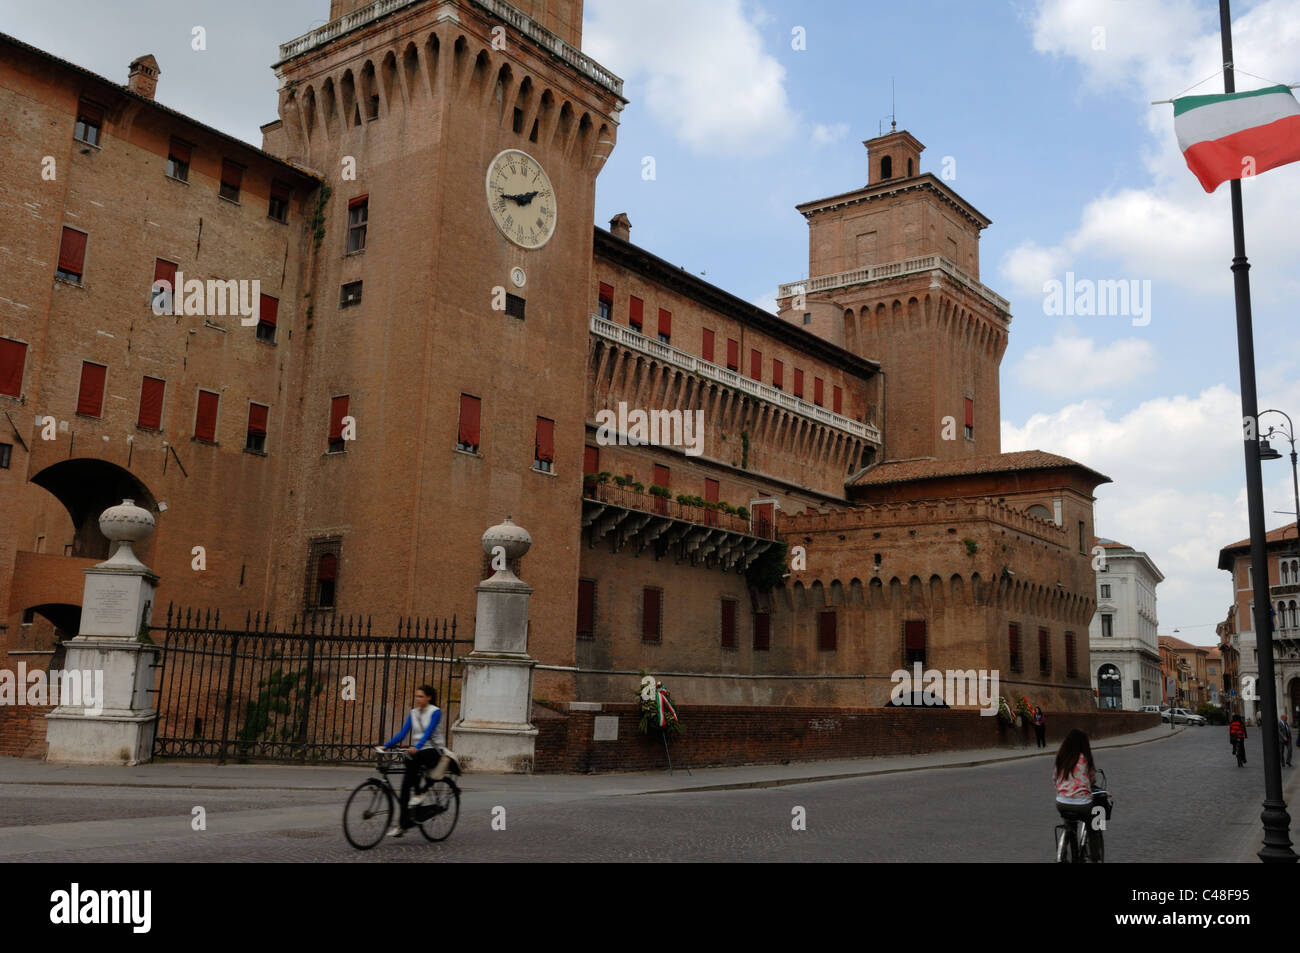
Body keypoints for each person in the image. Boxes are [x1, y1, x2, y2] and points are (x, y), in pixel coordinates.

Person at [380, 685, 450, 837]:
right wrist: (386, 746)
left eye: (420, 696)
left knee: (414, 758)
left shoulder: (435, 712)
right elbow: (402, 734)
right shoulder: (413, 713)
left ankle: (420, 793)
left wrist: (417, 747)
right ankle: (402, 825)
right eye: (416, 696)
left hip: (433, 751)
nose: (417, 699)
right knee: (405, 787)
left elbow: (428, 733)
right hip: (418, 752)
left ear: (428, 697)